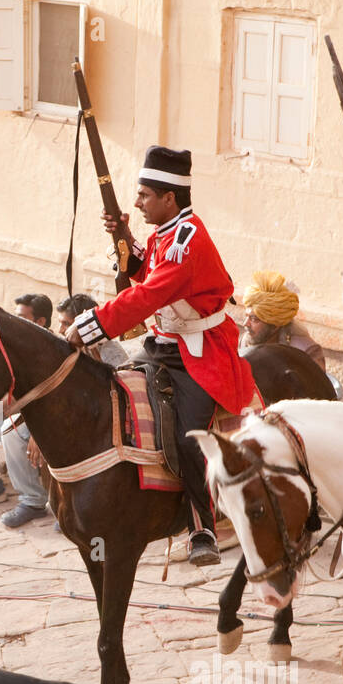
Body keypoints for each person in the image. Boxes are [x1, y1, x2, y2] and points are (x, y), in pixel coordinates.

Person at [67, 146, 258, 566]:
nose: (137, 203)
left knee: (190, 437)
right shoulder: (167, 232)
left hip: (200, 354)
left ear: (169, 198)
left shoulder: (187, 241)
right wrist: (125, 239)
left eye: (145, 195)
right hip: (162, 344)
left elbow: (149, 294)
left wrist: (90, 325)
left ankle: (202, 527)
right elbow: (147, 269)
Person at [0, 294, 60, 527]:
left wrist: (37, 432)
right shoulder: (18, 345)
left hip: (56, 414)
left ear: (40, 321)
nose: (16, 322)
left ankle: (64, 506)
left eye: (22, 317)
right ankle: (29, 500)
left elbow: (54, 398)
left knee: (11, 431)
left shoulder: (54, 347)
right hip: (29, 410)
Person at [238, 271, 326, 369]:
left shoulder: (306, 351)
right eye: (247, 316)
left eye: (254, 319)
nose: (245, 324)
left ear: (275, 325)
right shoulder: (244, 341)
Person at [55, 294, 130, 368]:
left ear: (85, 324)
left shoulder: (112, 352)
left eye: (66, 324)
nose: (60, 330)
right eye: (60, 323)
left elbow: (120, 375)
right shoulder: (64, 346)